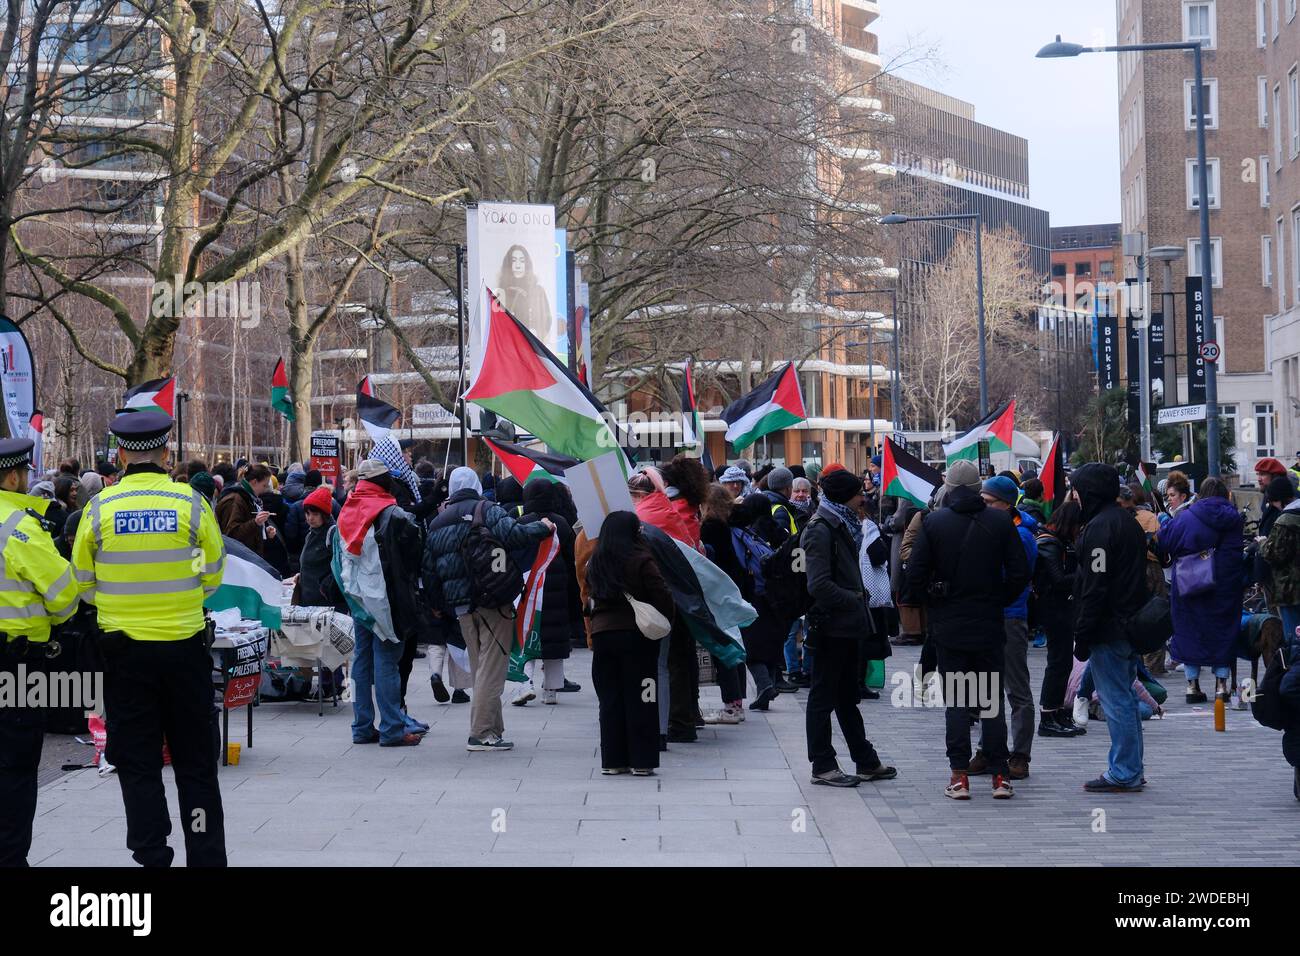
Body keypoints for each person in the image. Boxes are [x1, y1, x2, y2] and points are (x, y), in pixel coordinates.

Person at [71, 412, 227, 865]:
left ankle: (152, 854)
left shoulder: (99, 509)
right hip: (184, 649)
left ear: (120, 453)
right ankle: (204, 853)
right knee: (196, 766)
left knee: (138, 764)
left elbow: (84, 581)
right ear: (166, 451)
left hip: (124, 655)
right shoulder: (192, 504)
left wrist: (121, 601)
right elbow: (210, 575)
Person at [904, 459, 1030, 801]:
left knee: (957, 701)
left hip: (949, 625)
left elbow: (914, 575)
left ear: (949, 490)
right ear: (978, 490)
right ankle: (1000, 776)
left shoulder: (933, 523)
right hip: (989, 621)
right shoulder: (1001, 522)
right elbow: (1020, 573)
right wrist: (997, 598)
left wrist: (933, 600)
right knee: (990, 700)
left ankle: (959, 776)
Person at [423, 467, 552, 751]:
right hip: (492, 599)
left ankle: (493, 729)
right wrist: (544, 527)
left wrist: (437, 606)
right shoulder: (486, 509)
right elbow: (515, 535)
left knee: (482, 666)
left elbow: (429, 572)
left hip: (461, 607)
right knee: (492, 669)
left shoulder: (437, 522)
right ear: (476, 485)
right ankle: (481, 734)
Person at [0, 439, 81, 866]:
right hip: (16, 665)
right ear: (13, 477)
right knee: (15, 765)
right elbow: (65, 597)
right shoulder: (21, 527)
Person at [802, 468, 897, 787]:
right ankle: (823, 765)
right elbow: (818, 585)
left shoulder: (842, 523)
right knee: (823, 696)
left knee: (846, 696)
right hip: (831, 627)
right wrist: (855, 597)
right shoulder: (821, 528)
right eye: (859, 493)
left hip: (847, 626)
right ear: (845, 496)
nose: (863, 498)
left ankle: (866, 760)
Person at [333, 459, 428, 746]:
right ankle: (392, 728)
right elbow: (414, 556)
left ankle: (362, 726)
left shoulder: (348, 509)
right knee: (387, 660)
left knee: (362, 660)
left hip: (358, 599)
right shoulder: (392, 513)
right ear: (384, 481)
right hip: (387, 600)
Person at [1071, 462, 1150, 793]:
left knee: (1115, 699)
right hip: (1130, 623)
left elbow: (1096, 584)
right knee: (1126, 699)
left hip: (1109, 626)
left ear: (1088, 492)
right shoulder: (1126, 522)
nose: (1073, 496)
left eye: (1076, 489)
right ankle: (1131, 767)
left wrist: (1083, 633)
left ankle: (1124, 771)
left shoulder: (1100, 529)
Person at [586, 511, 675, 776]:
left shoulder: (596, 561)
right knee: (643, 696)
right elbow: (661, 593)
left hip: (604, 636)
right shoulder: (642, 559)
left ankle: (613, 760)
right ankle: (642, 759)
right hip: (638, 638)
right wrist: (665, 619)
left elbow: (587, 596)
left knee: (610, 698)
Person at [967, 475, 1039, 779]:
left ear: (1007, 504)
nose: (982, 506)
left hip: (1009, 616)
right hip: (988, 615)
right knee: (986, 686)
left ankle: (1020, 754)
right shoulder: (991, 527)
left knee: (1016, 688)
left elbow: (1012, 576)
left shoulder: (1020, 535)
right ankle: (987, 749)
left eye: (988, 502)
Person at [1155, 476, 1244, 704]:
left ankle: (1192, 686)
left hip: (1190, 584)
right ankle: (1221, 686)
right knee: (1222, 631)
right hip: (1225, 586)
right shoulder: (1234, 519)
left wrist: (1165, 522)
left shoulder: (1187, 516)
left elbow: (1164, 543)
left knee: (1189, 630)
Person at [513, 477, 583, 705]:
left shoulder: (523, 522)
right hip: (558, 590)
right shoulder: (561, 522)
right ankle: (551, 691)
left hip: (530, 588)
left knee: (528, 635)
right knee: (554, 641)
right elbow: (573, 555)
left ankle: (525, 684)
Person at [1033, 500, 1086, 737]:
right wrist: (1085, 573)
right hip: (1053, 608)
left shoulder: (1056, 542)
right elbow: (1058, 579)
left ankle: (1057, 711)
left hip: (1060, 607)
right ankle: (1048, 714)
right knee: (1058, 661)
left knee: (1063, 661)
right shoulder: (1049, 544)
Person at [698, 484, 749, 722]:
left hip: (717, 591)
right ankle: (737, 703)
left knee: (724, 648)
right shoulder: (729, 523)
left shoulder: (710, 526)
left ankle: (731, 706)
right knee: (733, 644)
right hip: (732, 588)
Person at [214, 463, 278, 558]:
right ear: (254, 482)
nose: (265, 489)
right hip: (238, 560)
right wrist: (255, 523)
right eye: (264, 485)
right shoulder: (235, 500)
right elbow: (230, 535)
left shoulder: (249, 498)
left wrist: (264, 531)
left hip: (247, 557)